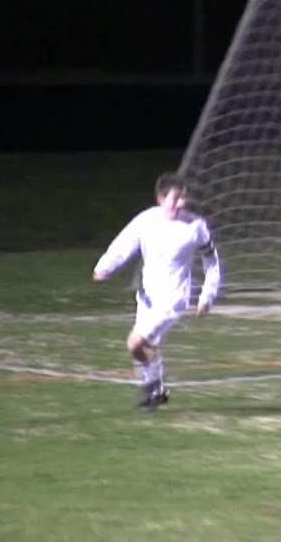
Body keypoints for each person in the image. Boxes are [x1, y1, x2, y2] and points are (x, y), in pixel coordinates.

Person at [93, 172, 222, 410]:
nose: (181, 204)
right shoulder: (146, 221)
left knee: (134, 343)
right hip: (147, 296)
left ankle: (155, 386)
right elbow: (124, 243)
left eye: (183, 198)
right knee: (146, 348)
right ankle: (156, 390)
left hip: (173, 299)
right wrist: (105, 266)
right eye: (176, 199)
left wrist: (207, 296)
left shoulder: (195, 226)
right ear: (161, 199)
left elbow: (211, 261)